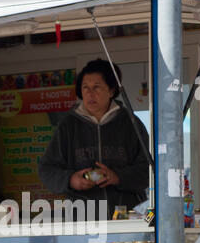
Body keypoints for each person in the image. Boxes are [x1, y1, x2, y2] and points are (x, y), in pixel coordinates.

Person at [37, 59, 150, 213]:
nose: (90, 94)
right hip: (82, 218)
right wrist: (71, 180)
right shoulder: (68, 125)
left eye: (96, 87)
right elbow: (46, 169)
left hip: (126, 217)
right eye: (85, 88)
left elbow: (149, 169)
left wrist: (118, 177)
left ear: (111, 91)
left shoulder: (130, 123)